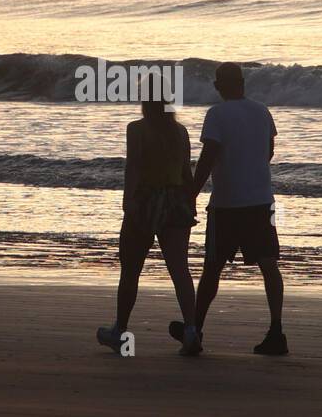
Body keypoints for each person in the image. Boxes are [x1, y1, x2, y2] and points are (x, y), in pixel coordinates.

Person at [171, 62, 287, 355]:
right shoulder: (262, 111)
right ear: (243, 82)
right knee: (268, 263)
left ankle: (195, 329)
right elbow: (269, 151)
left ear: (218, 86)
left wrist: (192, 194)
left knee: (212, 267)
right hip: (261, 200)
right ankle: (276, 330)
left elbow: (209, 156)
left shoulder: (217, 114)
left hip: (227, 204)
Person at [97, 92, 202, 356]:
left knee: (131, 270)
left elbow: (133, 166)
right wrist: (191, 203)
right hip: (175, 200)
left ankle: (120, 332)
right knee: (180, 269)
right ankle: (191, 330)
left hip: (145, 199)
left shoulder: (137, 129)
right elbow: (186, 173)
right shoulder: (180, 132)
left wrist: (127, 200)